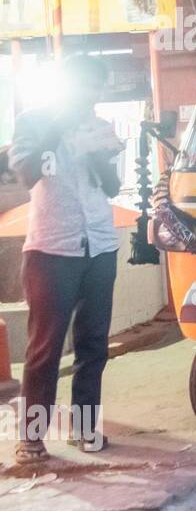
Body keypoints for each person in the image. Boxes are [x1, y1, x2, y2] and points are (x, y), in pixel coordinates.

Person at [7, 55, 123, 463]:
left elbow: (112, 187)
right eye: (84, 88)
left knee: (94, 346)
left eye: (97, 89)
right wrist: (61, 128)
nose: (91, 97)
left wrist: (100, 154)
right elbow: (25, 172)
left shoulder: (100, 126)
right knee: (45, 348)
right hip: (50, 251)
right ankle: (32, 438)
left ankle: (84, 429)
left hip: (100, 248)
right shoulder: (35, 122)